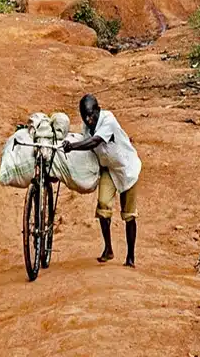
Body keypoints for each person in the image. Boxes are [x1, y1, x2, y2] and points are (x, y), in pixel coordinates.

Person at [63, 94, 141, 268]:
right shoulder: (86, 127)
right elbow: (85, 143)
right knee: (103, 206)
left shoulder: (108, 120)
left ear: (98, 110)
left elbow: (94, 142)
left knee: (129, 215)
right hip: (109, 170)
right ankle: (108, 249)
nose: (89, 119)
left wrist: (72, 147)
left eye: (91, 114)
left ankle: (130, 257)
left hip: (127, 169)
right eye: (85, 116)